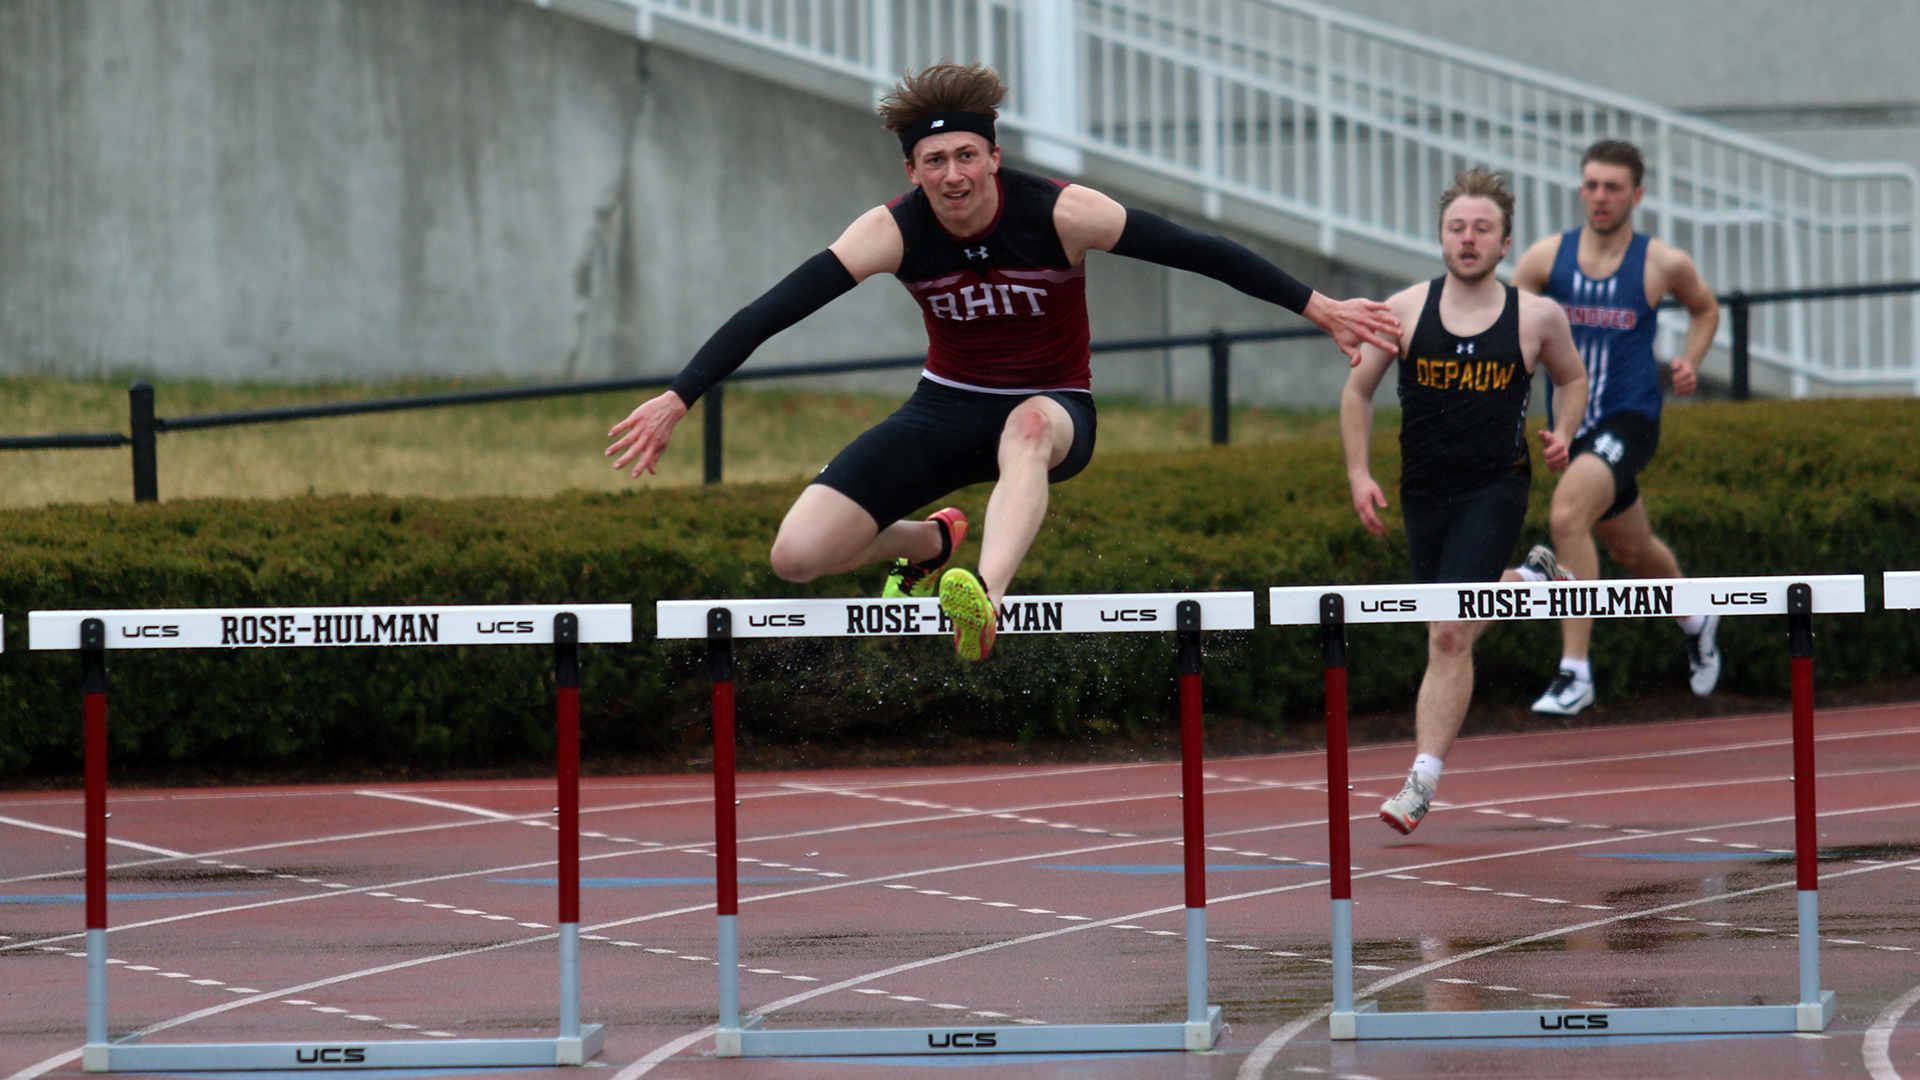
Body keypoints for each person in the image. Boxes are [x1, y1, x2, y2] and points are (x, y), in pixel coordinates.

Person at [607, 62, 1399, 661]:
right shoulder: (893, 230)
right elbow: (772, 310)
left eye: (966, 156)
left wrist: (1315, 304)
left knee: (1022, 429)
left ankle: (982, 598)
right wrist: (680, 397)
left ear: (993, 155)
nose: (952, 176)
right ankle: (932, 545)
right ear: (911, 172)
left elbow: (1200, 251)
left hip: (1054, 406)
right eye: (934, 162)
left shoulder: (1062, 212)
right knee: (796, 555)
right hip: (945, 406)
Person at [1340, 168, 1587, 835]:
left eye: (1482, 229)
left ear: (1505, 243)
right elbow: (1357, 390)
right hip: (1425, 494)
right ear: (1441, 238)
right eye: (1457, 228)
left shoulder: (1535, 317)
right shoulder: (1404, 311)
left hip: (1495, 489)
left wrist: (1564, 433)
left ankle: (1421, 781)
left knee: (1448, 633)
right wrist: (1359, 473)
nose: (1469, 238)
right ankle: (1530, 578)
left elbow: (1571, 379)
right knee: (1446, 625)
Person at [1510, 140, 1723, 716]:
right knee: (1631, 548)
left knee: (1565, 514)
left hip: (1630, 418)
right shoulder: (1545, 259)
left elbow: (1706, 308)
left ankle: (1574, 670)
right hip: (1571, 424)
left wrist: (1691, 361)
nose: (1600, 197)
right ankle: (1697, 616)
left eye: (1612, 187)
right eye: (1592, 185)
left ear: (1637, 195)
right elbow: (1510, 322)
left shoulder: (1662, 264)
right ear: (1580, 189)